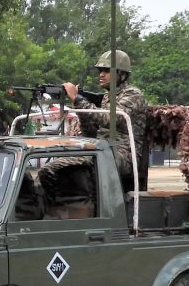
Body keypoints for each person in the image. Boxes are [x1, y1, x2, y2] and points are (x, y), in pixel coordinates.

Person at [63, 49, 149, 192]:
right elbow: (90, 134)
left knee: (80, 166)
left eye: (107, 70)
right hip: (103, 148)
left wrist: (78, 99)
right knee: (55, 168)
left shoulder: (133, 95)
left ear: (121, 74)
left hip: (123, 154)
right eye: (100, 71)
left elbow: (112, 119)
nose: (101, 74)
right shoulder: (106, 98)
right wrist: (80, 110)